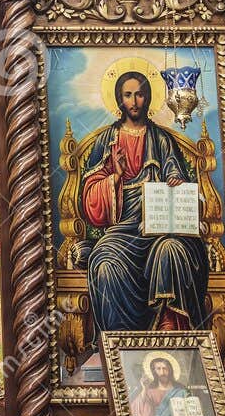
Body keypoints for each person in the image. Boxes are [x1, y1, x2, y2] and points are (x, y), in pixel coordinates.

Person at [78, 70, 211, 333]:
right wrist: (114, 177)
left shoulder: (162, 139)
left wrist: (176, 185)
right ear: (119, 99)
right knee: (104, 261)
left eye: (140, 94)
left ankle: (170, 323)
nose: (135, 101)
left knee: (172, 250)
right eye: (128, 95)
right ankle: (116, 341)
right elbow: (90, 203)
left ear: (148, 98)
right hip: (124, 230)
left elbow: (178, 179)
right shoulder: (106, 141)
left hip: (162, 229)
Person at [128, 352, 218, 416]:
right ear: (154, 371)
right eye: (158, 369)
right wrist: (144, 389)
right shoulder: (149, 391)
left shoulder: (182, 390)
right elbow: (138, 412)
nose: (162, 372)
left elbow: (192, 412)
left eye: (165, 368)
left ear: (170, 370)